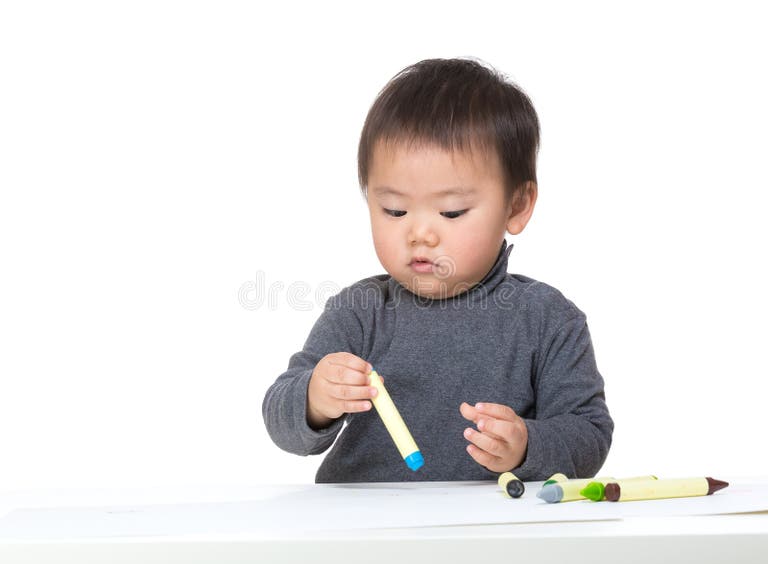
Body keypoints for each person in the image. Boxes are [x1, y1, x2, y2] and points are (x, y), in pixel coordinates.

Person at [262, 57, 613, 483]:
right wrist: (315, 399)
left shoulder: (547, 319)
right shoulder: (360, 310)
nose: (420, 234)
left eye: (451, 212)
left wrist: (527, 445)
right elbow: (280, 418)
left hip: (491, 519)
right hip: (365, 519)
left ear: (516, 205)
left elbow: (589, 433)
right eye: (395, 210)